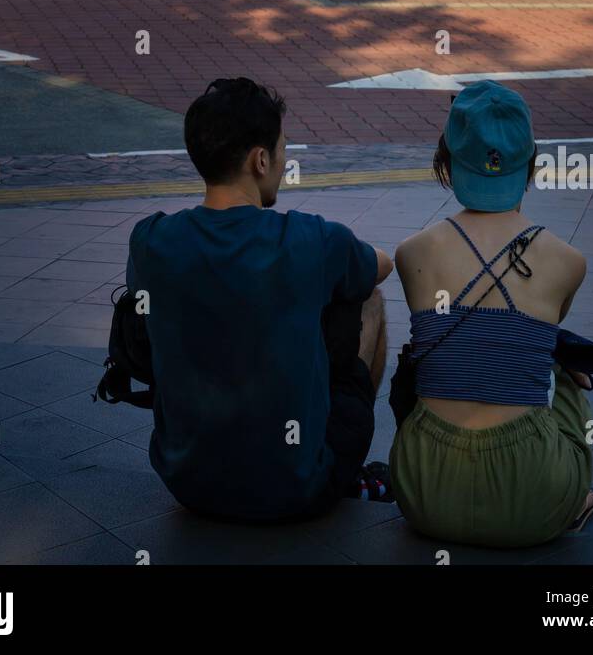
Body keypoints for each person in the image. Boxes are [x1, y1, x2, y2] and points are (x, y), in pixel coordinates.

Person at [125, 77, 393, 521]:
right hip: (296, 489)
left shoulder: (150, 240)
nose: (285, 164)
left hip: (188, 482)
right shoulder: (308, 239)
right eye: (283, 151)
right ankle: (344, 466)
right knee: (366, 297)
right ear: (261, 159)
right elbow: (380, 265)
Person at [391, 81, 593, 548]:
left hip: (424, 494)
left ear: (446, 163)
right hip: (532, 502)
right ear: (531, 164)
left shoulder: (411, 254)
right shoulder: (569, 262)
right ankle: (575, 497)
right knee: (565, 366)